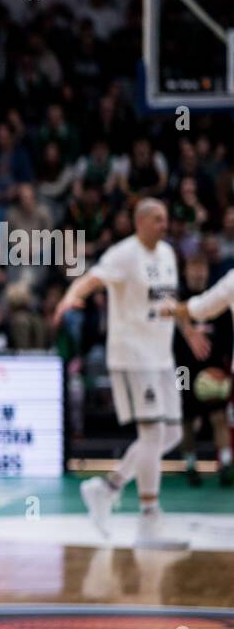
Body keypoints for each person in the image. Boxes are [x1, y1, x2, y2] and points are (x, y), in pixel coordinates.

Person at [55, 198, 204, 547]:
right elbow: (91, 278)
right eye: (157, 219)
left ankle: (107, 488)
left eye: (166, 219)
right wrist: (69, 296)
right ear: (139, 222)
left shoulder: (167, 254)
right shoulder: (123, 254)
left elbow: (168, 302)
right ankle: (149, 519)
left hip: (162, 358)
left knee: (170, 436)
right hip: (132, 357)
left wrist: (189, 329)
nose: (164, 225)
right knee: (153, 433)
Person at [165, 255, 234, 486]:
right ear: (185, 271)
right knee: (186, 417)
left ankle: (226, 464)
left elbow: (226, 336)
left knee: (218, 415)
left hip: (211, 365)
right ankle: (191, 464)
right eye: (193, 266)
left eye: (201, 266)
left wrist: (222, 368)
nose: (198, 272)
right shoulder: (177, 296)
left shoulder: (220, 294)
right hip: (183, 367)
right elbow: (170, 318)